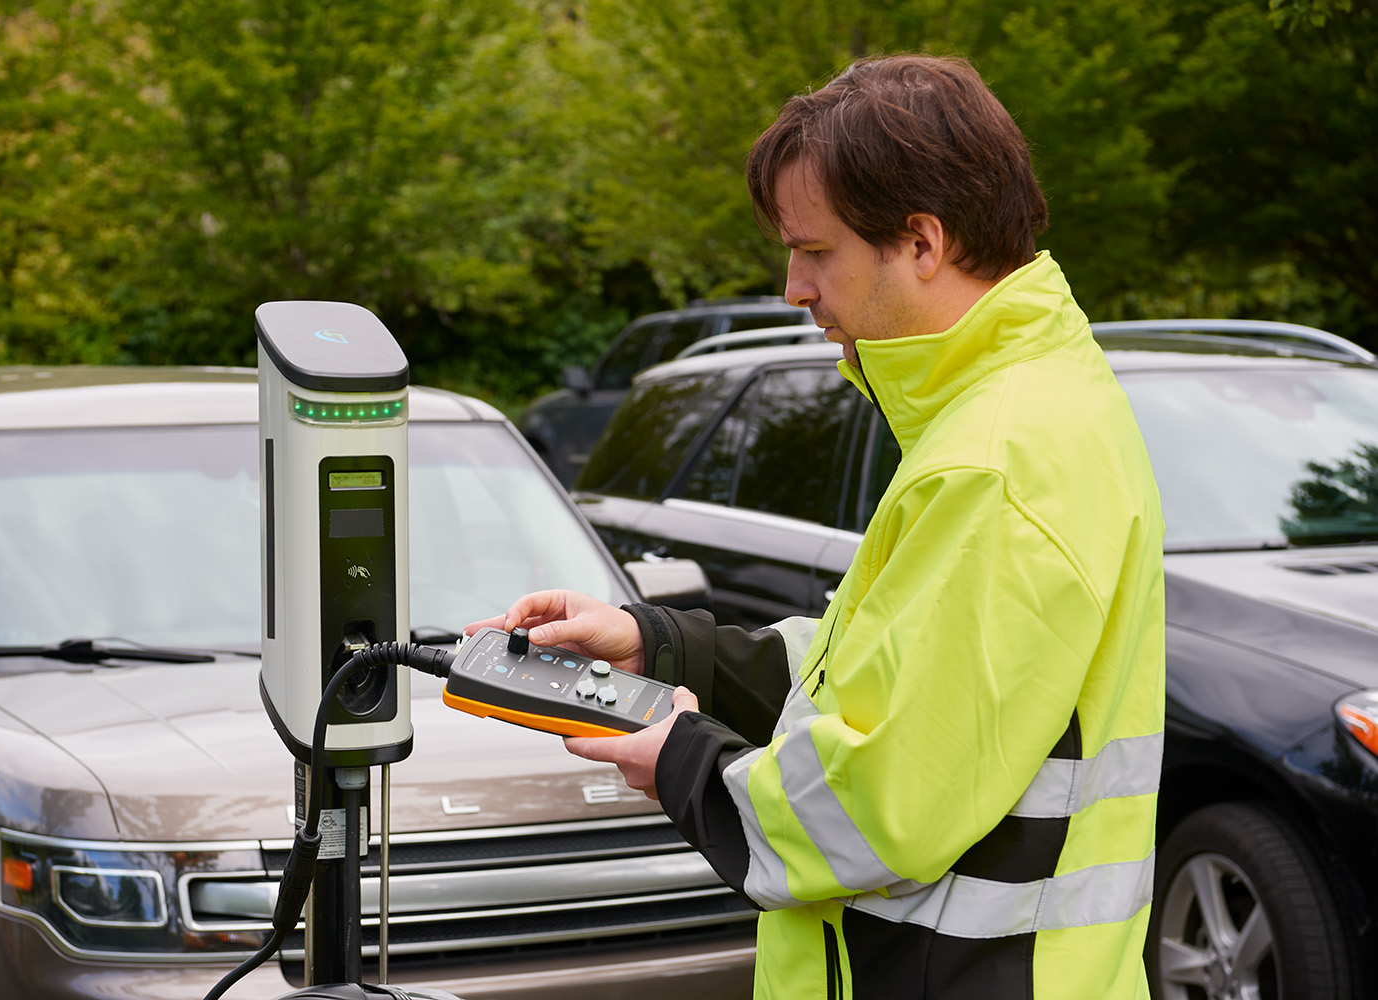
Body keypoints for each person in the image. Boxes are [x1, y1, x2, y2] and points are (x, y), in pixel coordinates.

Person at [470, 54, 1165, 1000]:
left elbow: (882, 805)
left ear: (921, 241)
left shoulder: (995, 460)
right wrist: (663, 648)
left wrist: (684, 757)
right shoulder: (1012, 409)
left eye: (815, 250)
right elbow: (887, 673)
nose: (794, 286)